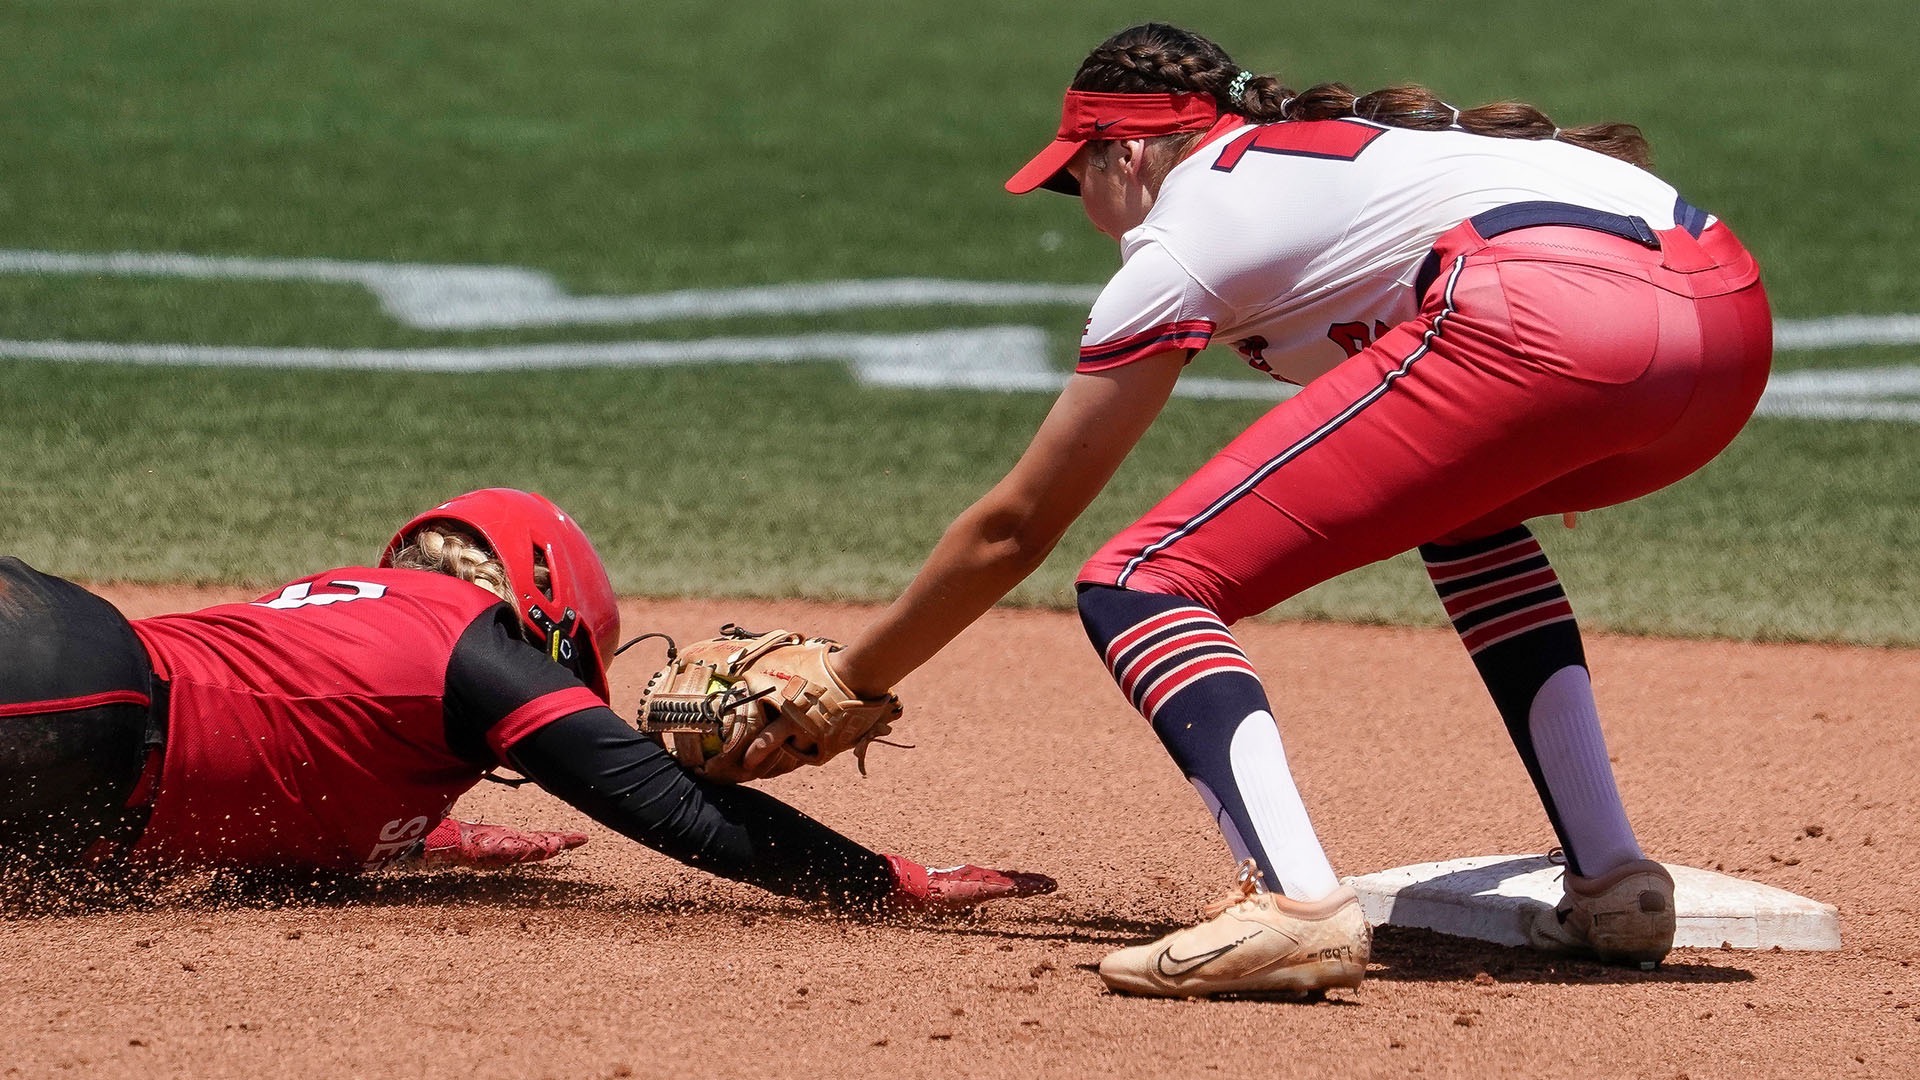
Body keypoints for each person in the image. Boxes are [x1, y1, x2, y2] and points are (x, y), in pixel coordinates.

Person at [822, 22, 1771, 996]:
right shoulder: (1336, 167)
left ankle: (1296, 906)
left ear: (1133, 153)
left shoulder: (1188, 227)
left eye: (1081, 177)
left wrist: (851, 680)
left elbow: (1016, 526)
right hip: (1729, 335)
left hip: (1550, 319)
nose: (1087, 210)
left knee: (1141, 583)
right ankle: (1615, 883)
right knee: (1458, 511)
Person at [0, 488, 1054, 913]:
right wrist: (884, 879)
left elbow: (280, 759)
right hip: (77, 713)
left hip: (69, 682)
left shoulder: (344, 623)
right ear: (539, 608)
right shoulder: (472, 643)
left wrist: (431, 837)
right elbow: (671, 807)